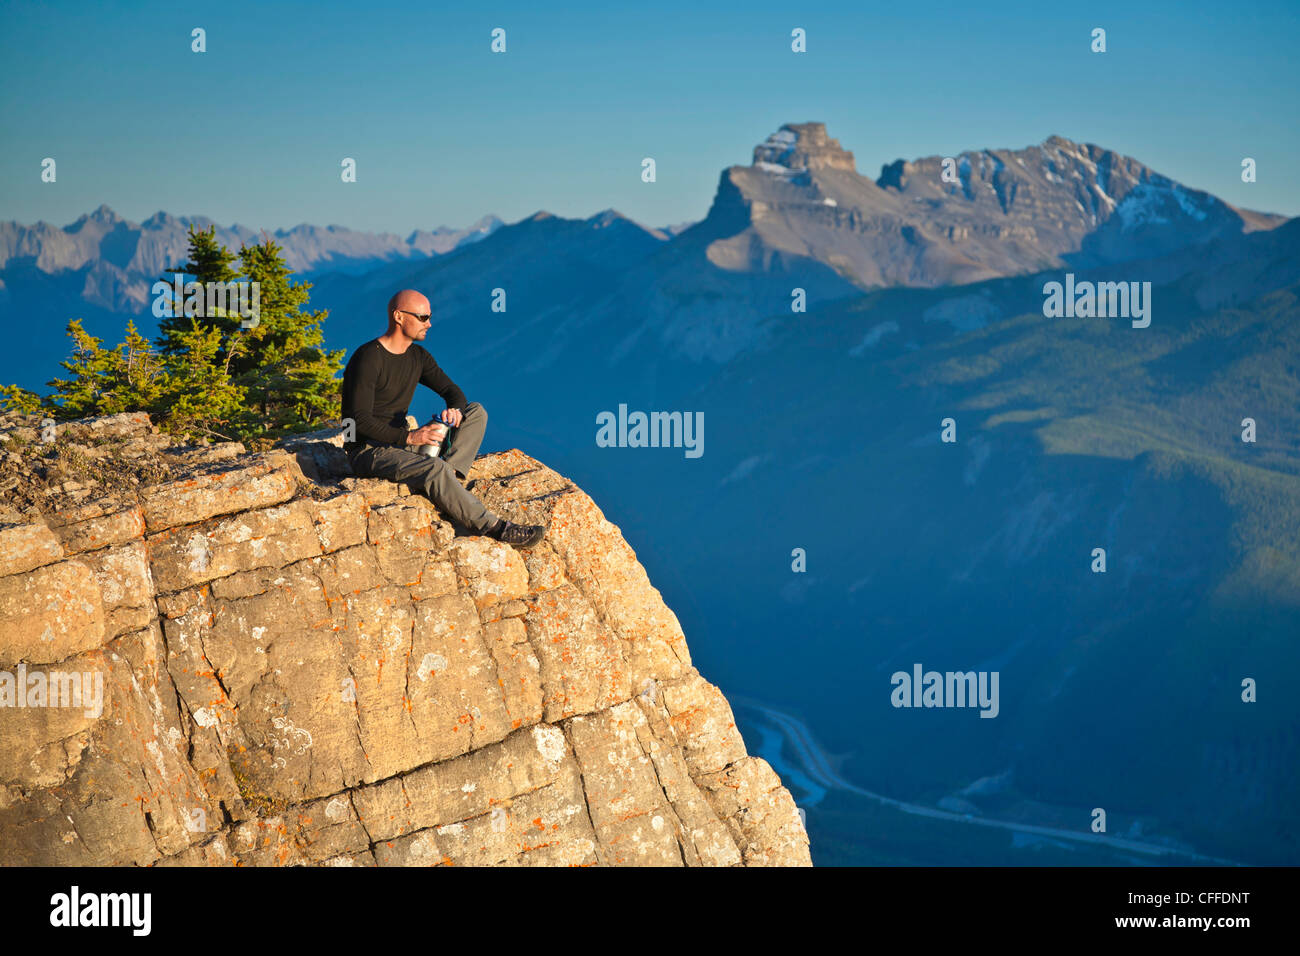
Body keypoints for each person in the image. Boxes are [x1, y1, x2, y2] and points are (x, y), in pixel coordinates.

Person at [340, 289, 545, 548]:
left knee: (475, 412)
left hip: (401, 444)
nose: (429, 323)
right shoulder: (368, 357)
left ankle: (448, 482)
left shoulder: (418, 357)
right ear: (399, 317)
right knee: (433, 468)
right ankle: (495, 528)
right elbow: (357, 421)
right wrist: (410, 436)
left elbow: (453, 393)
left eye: (429, 317)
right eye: (423, 317)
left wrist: (454, 410)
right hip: (368, 451)